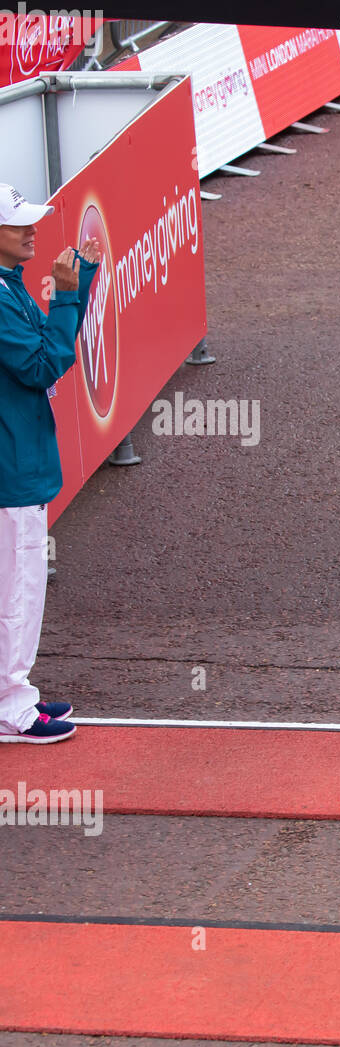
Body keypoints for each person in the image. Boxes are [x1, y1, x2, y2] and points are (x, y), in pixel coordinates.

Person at [0, 183, 101, 744]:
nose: (31, 229)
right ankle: (14, 707)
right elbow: (43, 365)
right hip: (13, 469)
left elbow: (44, 342)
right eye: (18, 224)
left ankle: (11, 694)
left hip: (19, 459)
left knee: (15, 587)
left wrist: (75, 285)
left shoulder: (8, 286)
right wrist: (67, 296)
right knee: (17, 591)